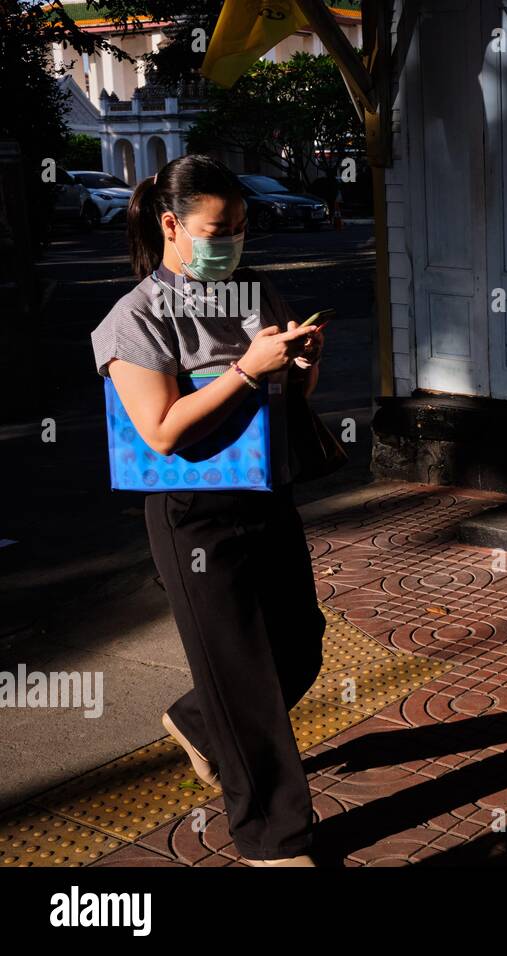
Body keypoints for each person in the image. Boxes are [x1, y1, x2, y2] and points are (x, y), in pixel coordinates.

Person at [90, 154, 328, 866]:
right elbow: (161, 430)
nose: (235, 241)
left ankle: (198, 719)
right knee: (245, 678)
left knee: (299, 643)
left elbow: (286, 406)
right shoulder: (133, 320)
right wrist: (246, 370)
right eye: (219, 228)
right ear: (172, 225)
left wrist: (303, 366)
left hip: (267, 492)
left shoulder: (258, 296)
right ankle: (273, 838)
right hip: (193, 511)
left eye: (242, 227)